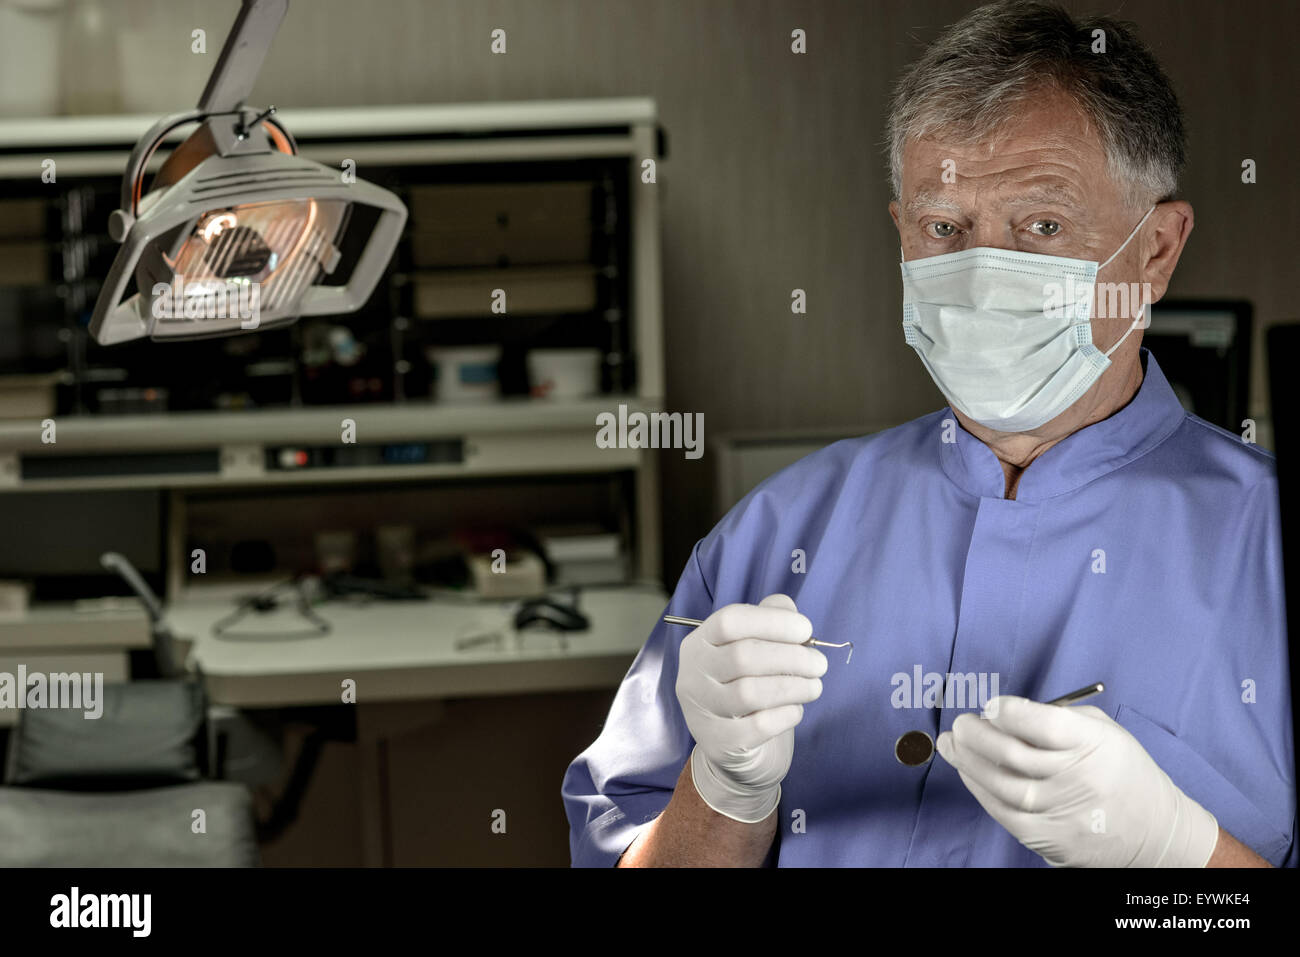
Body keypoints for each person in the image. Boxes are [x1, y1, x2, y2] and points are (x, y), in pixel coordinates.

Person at [562, 0, 1295, 867]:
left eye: (1043, 227)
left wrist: (1182, 858)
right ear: (901, 232)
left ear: (1158, 253)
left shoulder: (1265, 547)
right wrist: (723, 790)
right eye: (946, 229)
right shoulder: (777, 536)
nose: (983, 277)